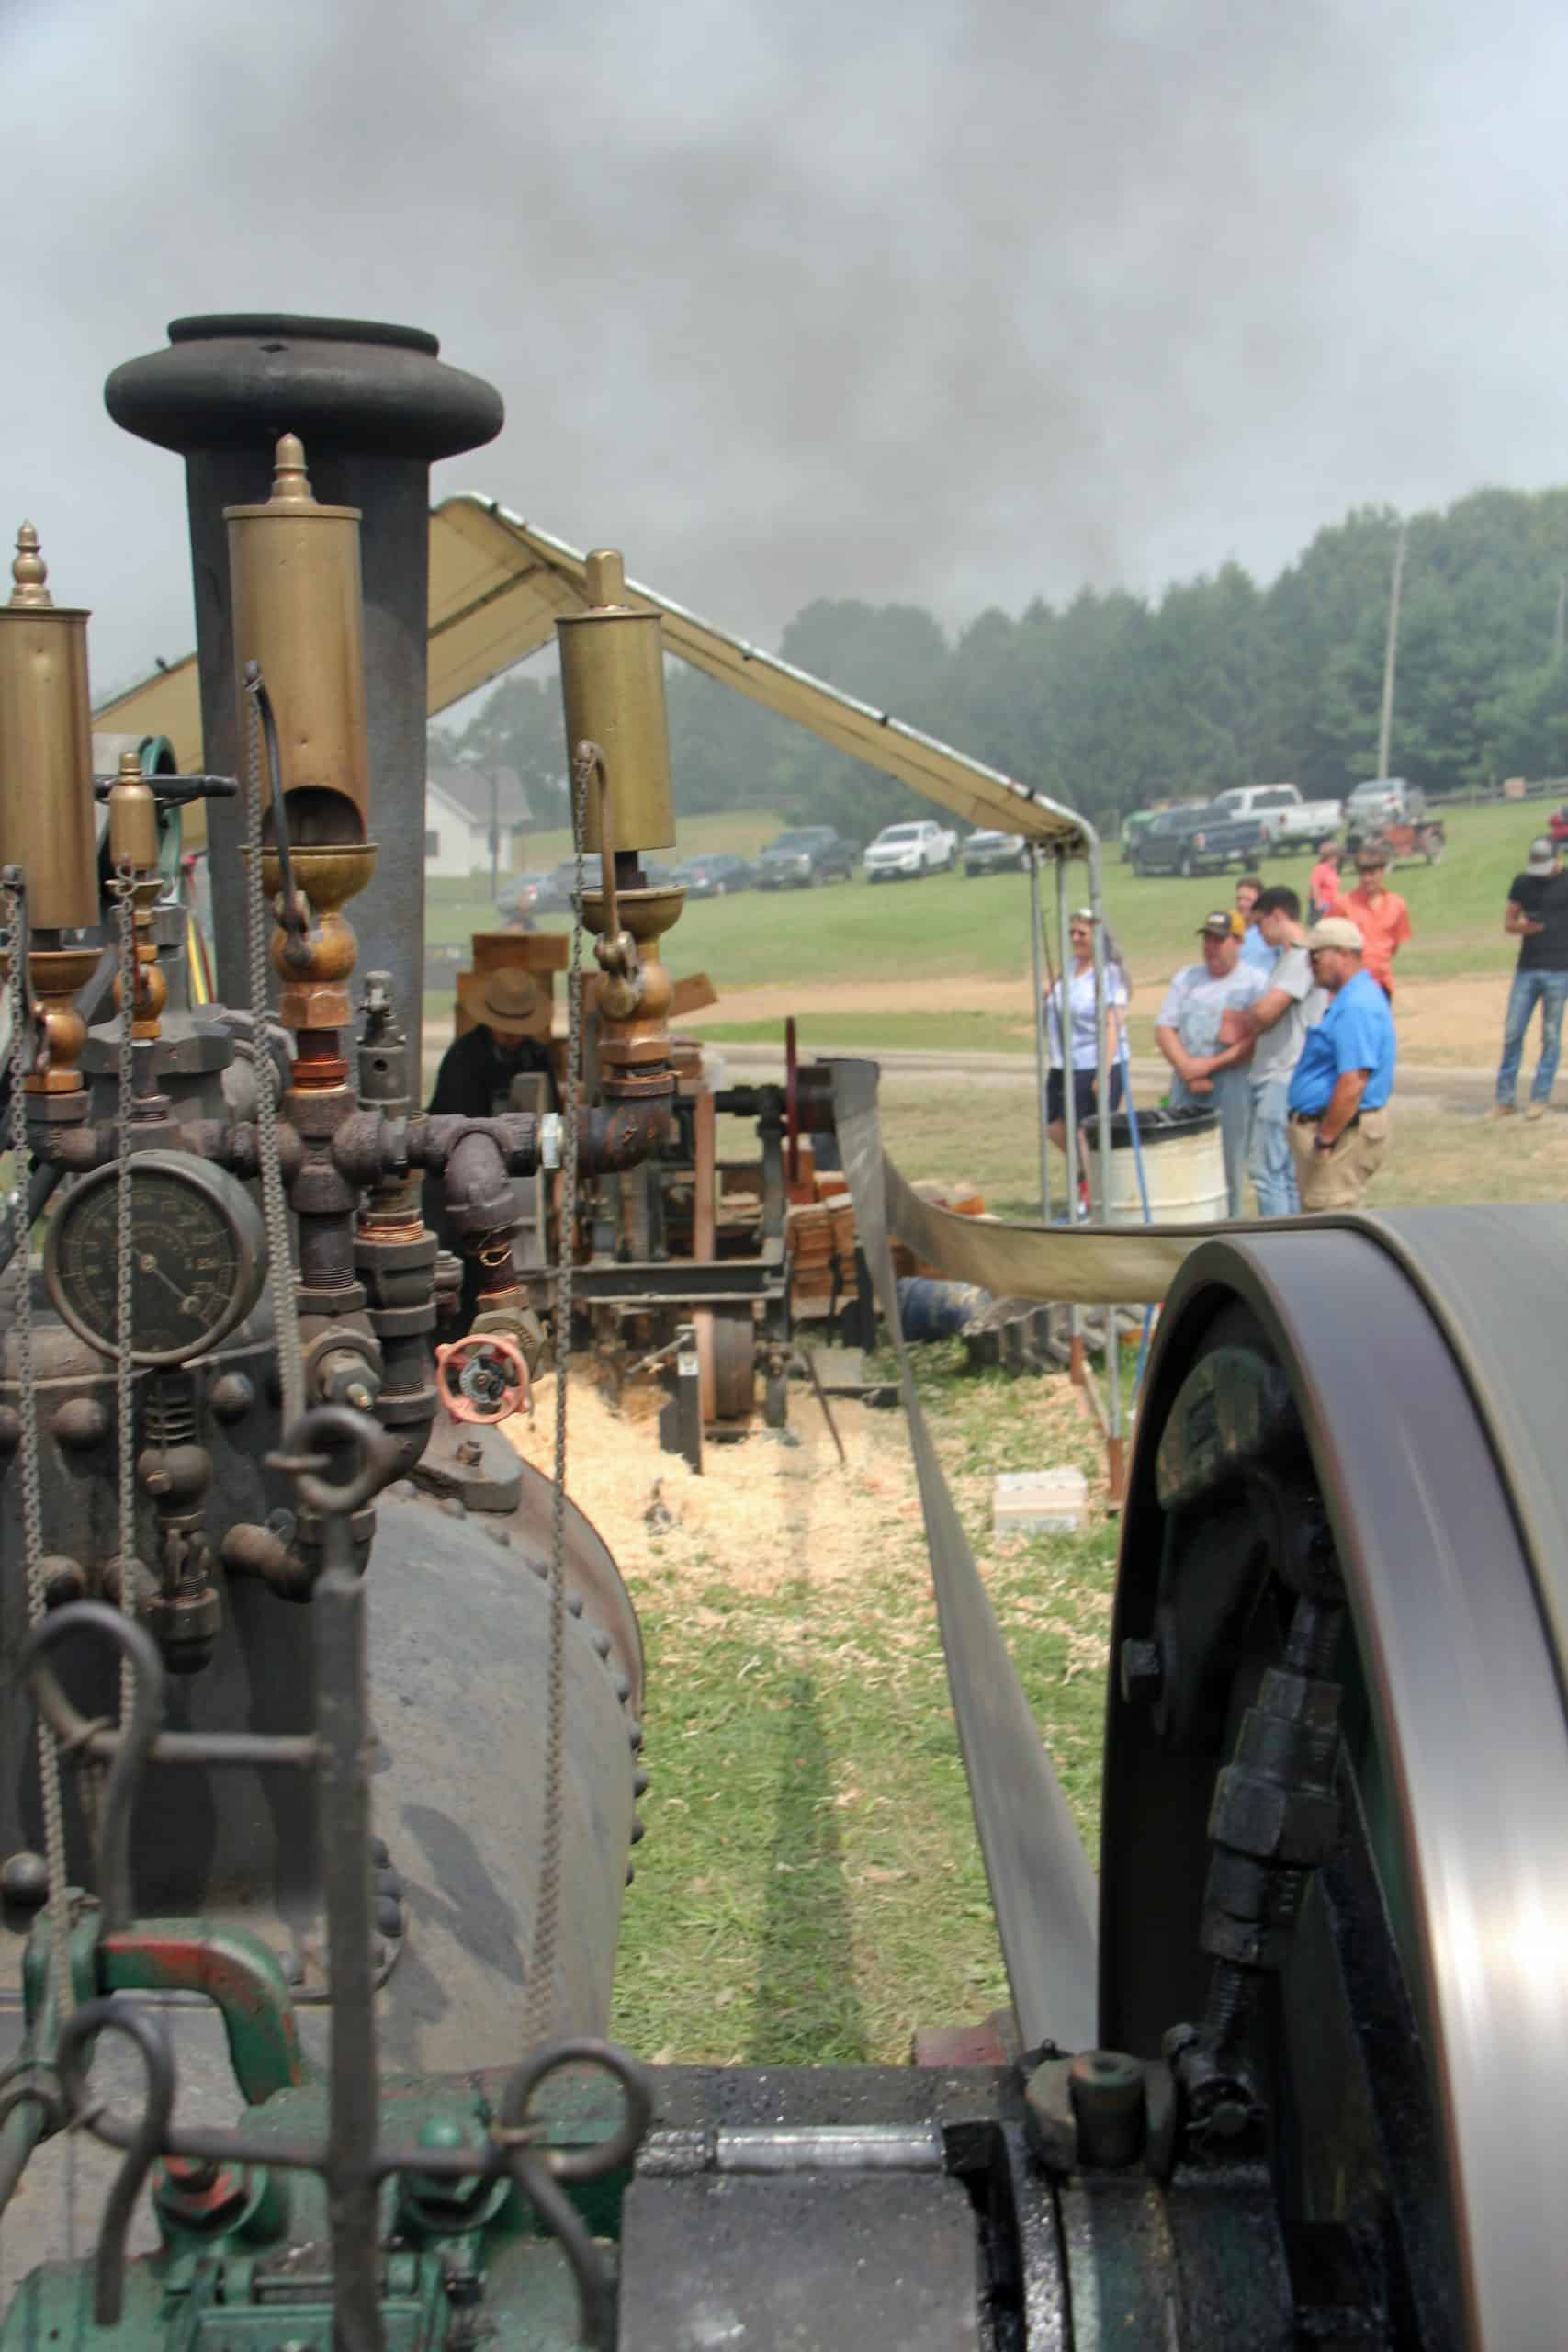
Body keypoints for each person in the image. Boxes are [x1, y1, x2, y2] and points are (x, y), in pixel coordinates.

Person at [1155, 911, 1268, 1217]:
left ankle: (1227, 1228)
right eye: (1207, 939)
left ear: (1239, 942)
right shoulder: (1187, 978)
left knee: (1227, 1166)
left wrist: (1209, 1067)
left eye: (1219, 939)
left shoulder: (1255, 983)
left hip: (1231, 1085)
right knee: (1178, 1161)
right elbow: (1165, 1027)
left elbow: (1254, 1041)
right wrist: (1185, 1066)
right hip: (1185, 1082)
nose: (1211, 947)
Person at [1285, 917, 1396, 1210]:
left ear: (1344, 954)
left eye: (1316, 955)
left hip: (1340, 1137)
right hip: (1336, 1133)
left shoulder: (1356, 1005)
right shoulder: (1351, 998)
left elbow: (1353, 1082)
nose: (1311, 963)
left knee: (1327, 1226)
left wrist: (1325, 1140)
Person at [1239, 885, 1323, 1216]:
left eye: (1260, 924)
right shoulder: (1291, 958)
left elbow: (1265, 1012)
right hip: (1285, 1075)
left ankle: (1276, 1240)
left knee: (1267, 1173)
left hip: (1281, 1075)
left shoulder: (1299, 958)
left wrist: (1248, 1017)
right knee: (1285, 1175)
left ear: (1277, 915)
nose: (1258, 933)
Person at [1489, 833, 1568, 1121]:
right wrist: (1526, 929)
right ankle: (1504, 1099)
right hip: (1528, 968)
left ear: (1557, 858)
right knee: (1513, 1032)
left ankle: (1540, 1097)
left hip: (1561, 971)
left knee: (1550, 1035)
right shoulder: (1522, 883)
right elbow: (1509, 923)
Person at [1045, 908, 1127, 1152]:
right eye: (1072, 932)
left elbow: (1113, 1024)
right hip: (1064, 1062)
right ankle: (1084, 1177)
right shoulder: (1070, 967)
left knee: (1087, 1133)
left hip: (1095, 1062)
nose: (1075, 938)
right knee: (1054, 1126)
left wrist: (1103, 1071)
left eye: (1082, 933)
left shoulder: (1109, 973)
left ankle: (1092, 1186)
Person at [1331, 848, 1411, 997]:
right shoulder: (1343, 904)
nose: (1367, 879)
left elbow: (1395, 945)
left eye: (1372, 873)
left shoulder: (1396, 904)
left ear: (1382, 872)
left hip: (1382, 983)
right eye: (1362, 874)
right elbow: (1327, 940)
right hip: (1350, 984)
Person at [1235, 876, 1271, 969]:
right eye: (1239, 899)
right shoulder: (1231, 933)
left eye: (1247, 900)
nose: (1241, 904)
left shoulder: (1269, 933)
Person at [1308, 842, 1342, 922]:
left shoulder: (1333, 870)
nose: (1337, 859)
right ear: (1331, 857)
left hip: (1332, 904)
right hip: (1322, 905)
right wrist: (1318, 902)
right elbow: (1314, 885)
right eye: (1336, 857)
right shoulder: (1320, 869)